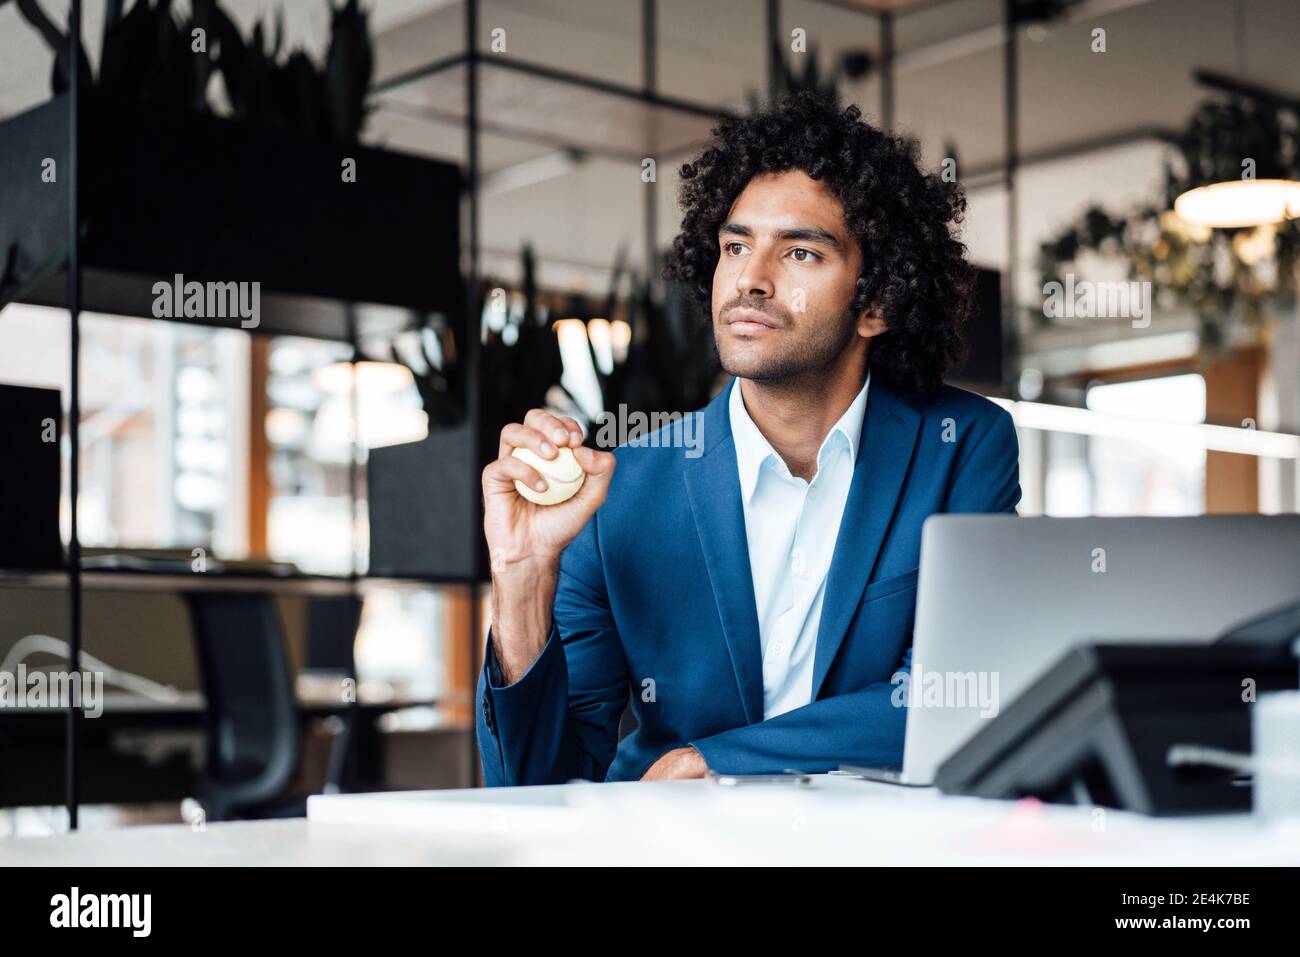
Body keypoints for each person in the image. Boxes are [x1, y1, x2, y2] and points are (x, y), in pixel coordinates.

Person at [477, 91, 1020, 785]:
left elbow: (951, 698)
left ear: (877, 301)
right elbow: (536, 786)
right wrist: (522, 579)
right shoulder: (618, 490)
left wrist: (720, 760)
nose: (751, 280)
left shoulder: (962, 445)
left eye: (799, 251)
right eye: (736, 246)